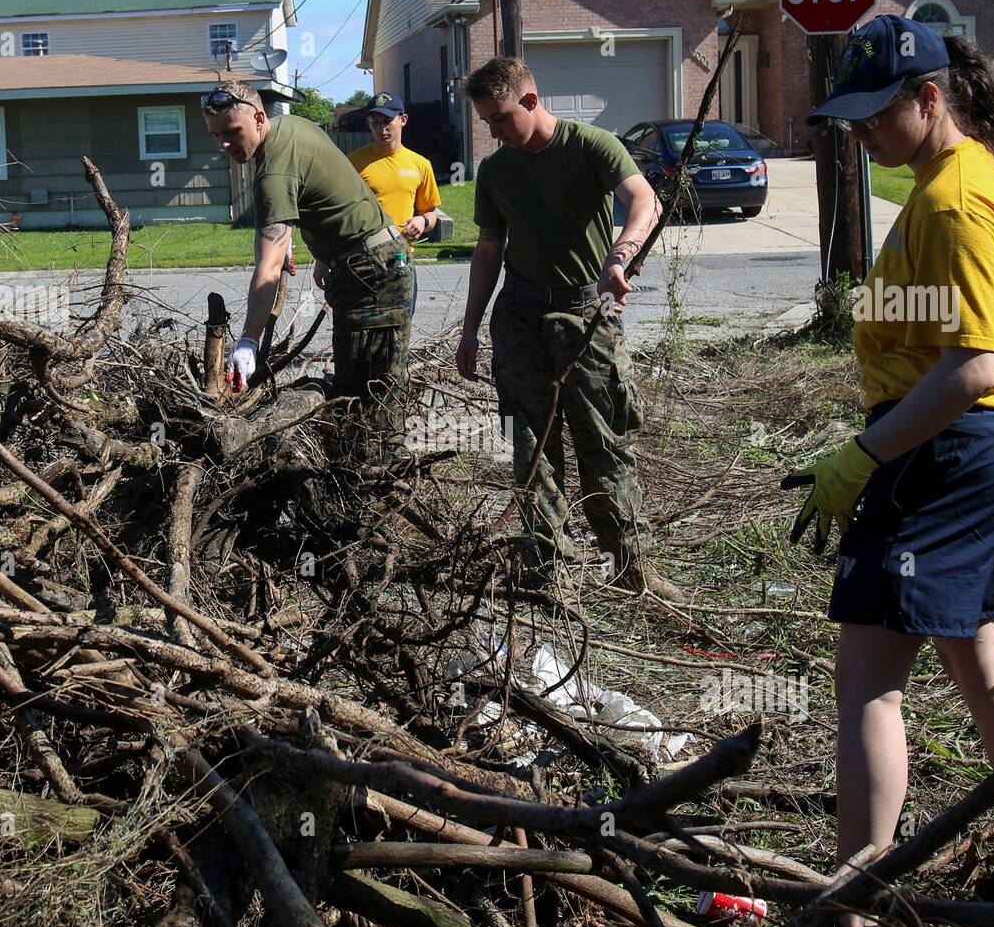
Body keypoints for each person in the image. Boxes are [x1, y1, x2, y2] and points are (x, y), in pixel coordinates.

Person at [784, 15, 994, 927]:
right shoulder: (953, 176)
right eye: (851, 116)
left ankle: (853, 901)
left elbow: (970, 366)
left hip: (941, 453)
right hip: (963, 450)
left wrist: (862, 456)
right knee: (981, 664)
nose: (860, 131)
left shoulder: (954, 202)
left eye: (876, 113)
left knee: (867, 676)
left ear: (928, 97)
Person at [455, 56, 679, 600]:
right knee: (529, 446)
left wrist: (619, 258)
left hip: (585, 314)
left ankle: (630, 567)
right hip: (520, 316)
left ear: (530, 101)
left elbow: (643, 199)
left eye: (501, 118)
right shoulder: (497, 170)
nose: (494, 131)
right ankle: (547, 568)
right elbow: (489, 249)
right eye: (485, 122)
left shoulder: (591, 146)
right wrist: (470, 329)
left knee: (603, 441)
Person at [201, 79, 415, 457]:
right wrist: (319, 250)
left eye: (233, 131)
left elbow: (267, 268)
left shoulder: (272, 174)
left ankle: (380, 500)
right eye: (216, 135)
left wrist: (249, 340)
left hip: (372, 274)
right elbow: (327, 190)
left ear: (259, 118)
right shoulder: (290, 126)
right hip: (369, 263)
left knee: (371, 403)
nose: (225, 144)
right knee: (362, 391)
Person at [345, 90, 442, 316]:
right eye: (375, 122)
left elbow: (431, 214)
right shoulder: (353, 162)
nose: (381, 128)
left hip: (400, 261)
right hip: (363, 260)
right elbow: (341, 213)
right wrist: (324, 260)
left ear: (403, 120)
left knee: (400, 328)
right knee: (364, 330)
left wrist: (422, 220)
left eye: (387, 121)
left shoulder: (420, 164)